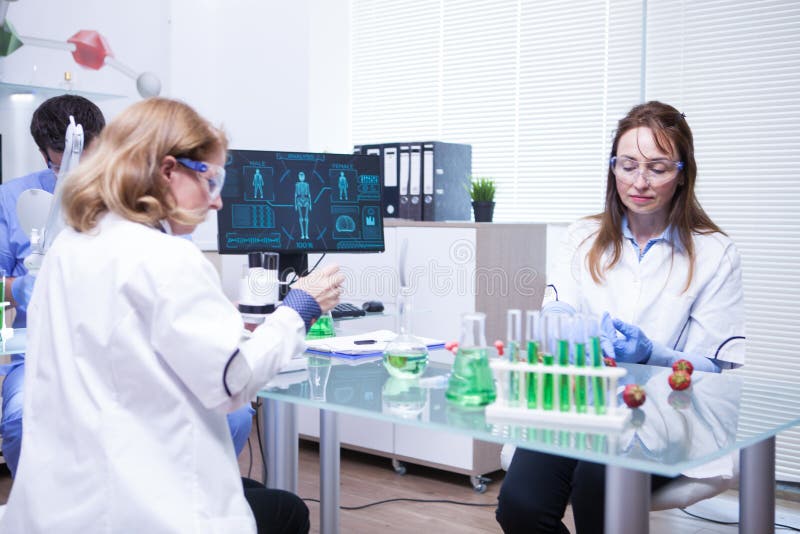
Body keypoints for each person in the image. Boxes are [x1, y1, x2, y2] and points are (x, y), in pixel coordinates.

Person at [0, 97, 344, 533]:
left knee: (256, 492)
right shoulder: (165, 257)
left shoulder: (69, 246)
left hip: (64, 505)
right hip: (140, 511)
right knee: (287, 510)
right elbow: (231, 383)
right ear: (167, 172)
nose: (217, 202)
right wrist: (299, 308)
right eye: (211, 181)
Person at [495, 101, 745, 533]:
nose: (640, 182)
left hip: (665, 417)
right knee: (520, 505)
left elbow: (717, 371)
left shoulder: (713, 253)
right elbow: (556, 312)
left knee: (599, 480)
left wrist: (652, 353)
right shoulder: (583, 238)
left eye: (658, 167)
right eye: (628, 165)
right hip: (578, 408)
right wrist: (562, 327)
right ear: (613, 168)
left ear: (682, 172)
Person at [0, 95, 256, 476]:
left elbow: (177, 281)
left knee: (233, 417)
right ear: (44, 155)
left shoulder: (140, 202)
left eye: (92, 158)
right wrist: (19, 286)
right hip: (42, 354)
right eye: (64, 163)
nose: (80, 173)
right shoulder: (13, 199)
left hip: (143, 355)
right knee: (23, 417)